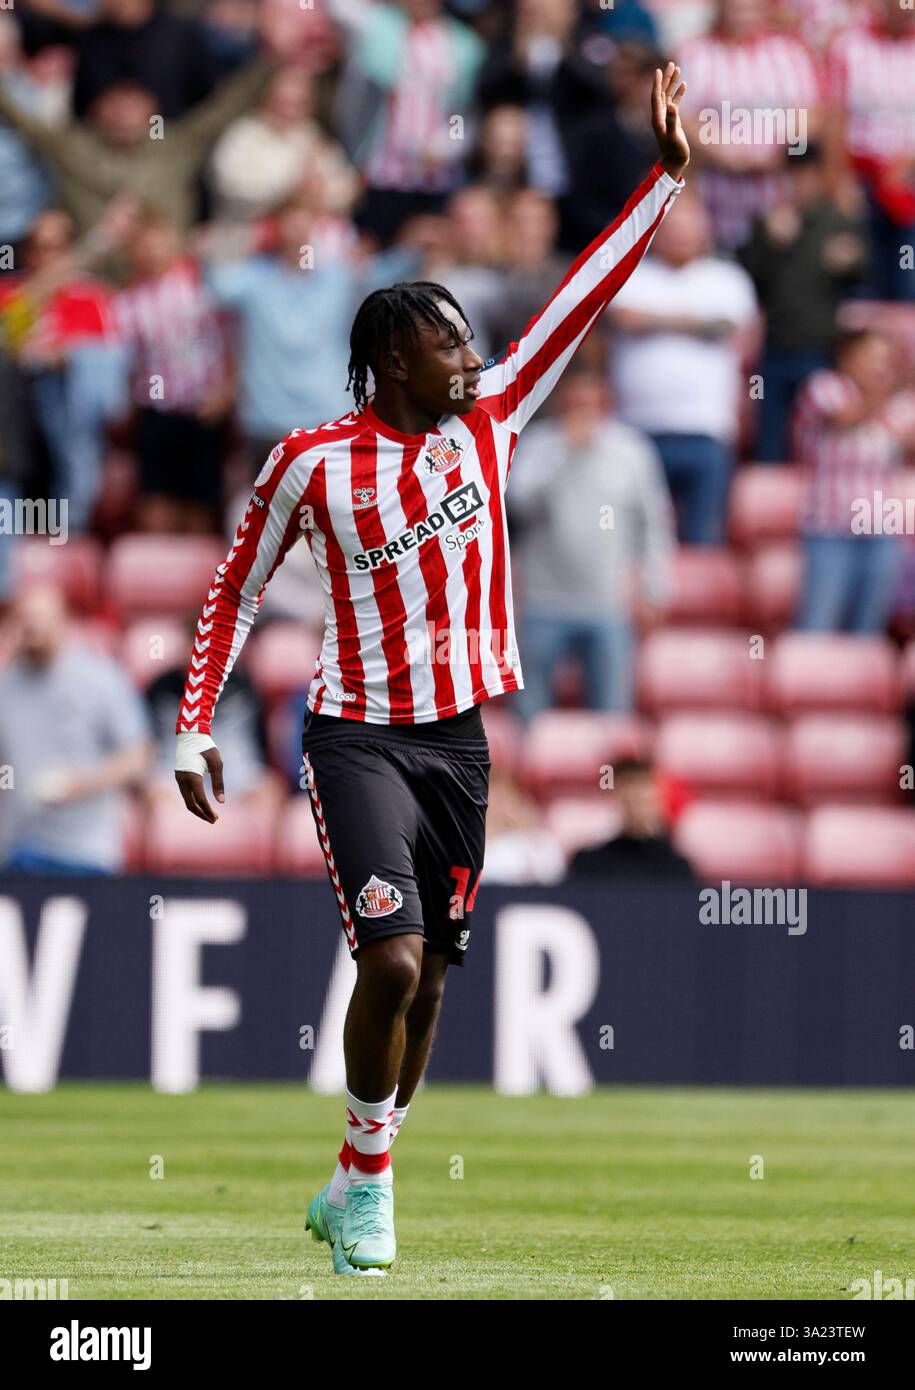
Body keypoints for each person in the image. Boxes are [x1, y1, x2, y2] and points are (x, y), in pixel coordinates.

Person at [173, 64, 689, 1276]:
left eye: (464, 333)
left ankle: (359, 1177)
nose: (468, 350)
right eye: (443, 337)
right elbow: (235, 588)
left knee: (437, 982)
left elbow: (585, 291)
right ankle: (368, 1180)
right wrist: (195, 726)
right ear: (391, 361)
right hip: (356, 736)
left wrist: (664, 179)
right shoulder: (311, 461)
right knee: (392, 957)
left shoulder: (496, 415)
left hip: (460, 739)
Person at [508, 368, 675, 714]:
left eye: (590, 399)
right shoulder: (538, 445)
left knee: (611, 718)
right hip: (542, 603)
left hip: (608, 606)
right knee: (528, 718)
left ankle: (605, 773)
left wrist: (655, 588)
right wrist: (561, 454)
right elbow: (516, 507)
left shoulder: (632, 450)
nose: (582, 409)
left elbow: (654, 525)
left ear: (605, 401)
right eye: (574, 400)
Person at [607, 189, 757, 544]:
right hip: (636, 430)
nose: (681, 234)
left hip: (706, 429)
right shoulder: (631, 273)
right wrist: (692, 320)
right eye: (672, 226)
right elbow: (625, 320)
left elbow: (726, 325)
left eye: (689, 225)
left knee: (702, 539)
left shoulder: (727, 277)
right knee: (636, 540)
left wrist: (654, 319)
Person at [0, 583, 152, 874]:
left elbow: (139, 756)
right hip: (18, 851)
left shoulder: (101, 679)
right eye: (26, 621)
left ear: (63, 622)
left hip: (84, 854)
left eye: (41, 620)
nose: (34, 631)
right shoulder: (5, 687)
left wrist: (87, 783)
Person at [739, 142, 865, 462]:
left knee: (821, 443)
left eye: (809, 175)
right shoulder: (769, 222)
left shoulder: (839, 222)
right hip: (776, 348)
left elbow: (862, 276)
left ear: (821, 176)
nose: (802, 183)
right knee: (770, 442)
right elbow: (749, 281)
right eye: (794, 175)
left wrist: (851, 261)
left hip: (820, 350)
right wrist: (771, 243)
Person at [793, 328, 915, 633]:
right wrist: (891, 391)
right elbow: (843, 420)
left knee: (868, 634)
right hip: (829, 530)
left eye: (886, 359)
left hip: (881, 532)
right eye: (872, 357)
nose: (880, 366)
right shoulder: (824, 388)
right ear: (847, 357)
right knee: (817, 626)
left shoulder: (900, 404)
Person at [566, 756, 694, 881]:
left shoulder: (676, 868)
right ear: (617, 796)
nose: (637, 799)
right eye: (631, 793)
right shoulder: (589, 863)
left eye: (643, 792)